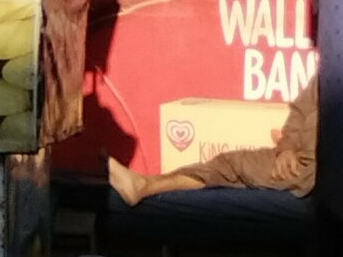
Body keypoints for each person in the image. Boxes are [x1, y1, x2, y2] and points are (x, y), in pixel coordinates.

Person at [109, 74, 318, 206]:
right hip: (298, 156)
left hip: (312, 170)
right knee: (228, 165)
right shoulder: (330, 68)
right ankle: (144, 185)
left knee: (230, 165)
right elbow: (300, 110)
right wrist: (287, 147)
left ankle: (144, 186)